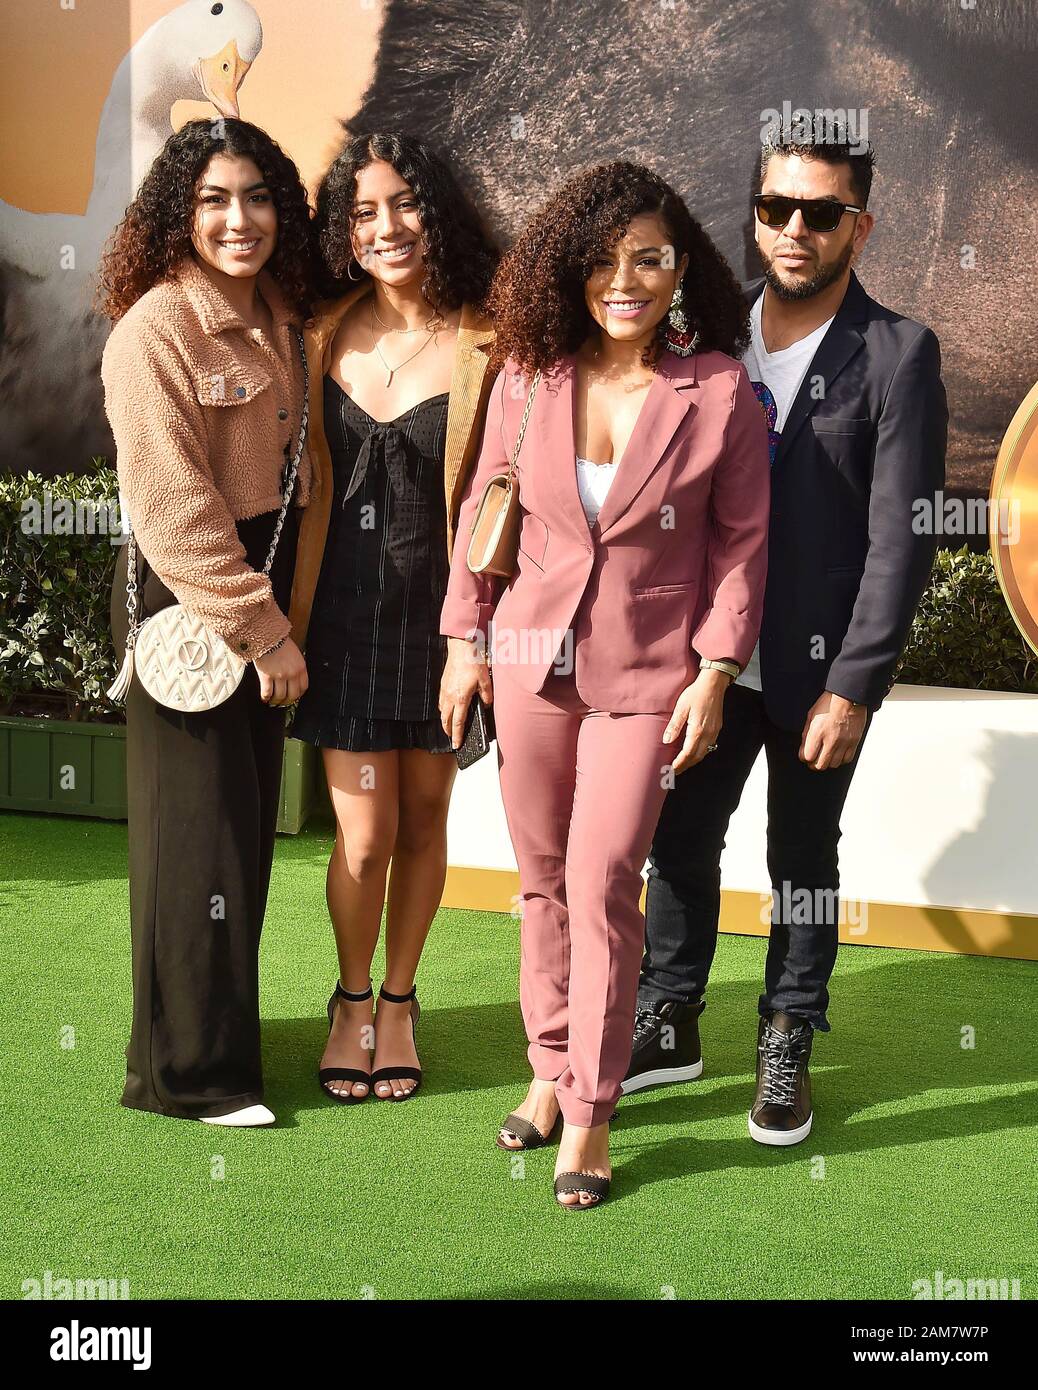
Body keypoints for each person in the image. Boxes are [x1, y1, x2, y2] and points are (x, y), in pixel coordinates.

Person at [439, 161, 770, 1207]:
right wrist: (465, 639)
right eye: (604, 259)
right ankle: (545, 1068)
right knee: (537, 878)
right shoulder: (528, 375)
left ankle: (590, 1109)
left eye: (650, 258)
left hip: (648, 675)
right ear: (570, 268)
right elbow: (485, 514)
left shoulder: (718, 389)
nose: (625, 280)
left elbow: (742, 545)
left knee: (603, 879)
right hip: (530, 662)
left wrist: (717, 669)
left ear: (682, 271)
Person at [627, 121, 949, 1146]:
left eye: (820, 213)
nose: (794, 230)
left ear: (860, 226)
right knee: (679, 838)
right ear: (755, 213)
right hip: (704, 665)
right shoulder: (700, 339)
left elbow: (900, 543)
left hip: (816, 672)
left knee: (801, 852)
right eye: (776, 208)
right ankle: (669, 1018)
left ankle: (786, 1040)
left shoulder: (899, 355)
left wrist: (854, 684)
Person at [97, 119, 316, 1126]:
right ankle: (187, 1078)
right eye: (214, 200)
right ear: (177, 216)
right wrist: (260, 629)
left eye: (259, 196)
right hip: (198, 603)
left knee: (238, 837)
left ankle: (202, 1036)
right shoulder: (155, 330)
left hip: (260, 585)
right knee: (198, 844)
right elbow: (175, 510)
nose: (240, 219)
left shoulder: (285, 312)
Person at [286, 134, 499, 1104]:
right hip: (339, 622)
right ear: (342, 231)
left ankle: (402, 1004)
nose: (386, 228)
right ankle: (348, 998)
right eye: (363, 212)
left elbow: (507, 498)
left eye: (404, 203)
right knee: (363, 834)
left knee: (424, 821)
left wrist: (479, 638)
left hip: (444, 627)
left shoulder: (492, 340)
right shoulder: (315, 331)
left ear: (437, 210)